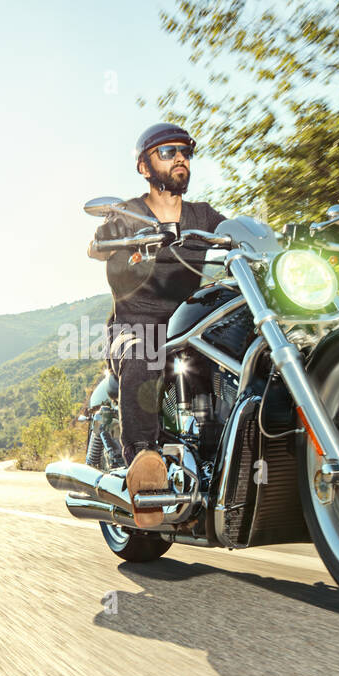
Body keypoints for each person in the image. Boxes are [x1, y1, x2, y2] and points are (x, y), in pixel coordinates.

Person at [88, 122, 227, 527]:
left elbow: (236, 234)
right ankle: (145, 462)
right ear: (144, 167)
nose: (180, 157)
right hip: (137, 327)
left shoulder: (203, 216)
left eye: (185, 151)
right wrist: (111, 235)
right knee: (145, 349)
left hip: (190, 326)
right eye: (167, 152)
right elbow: (96, 247)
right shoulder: (128, 213)